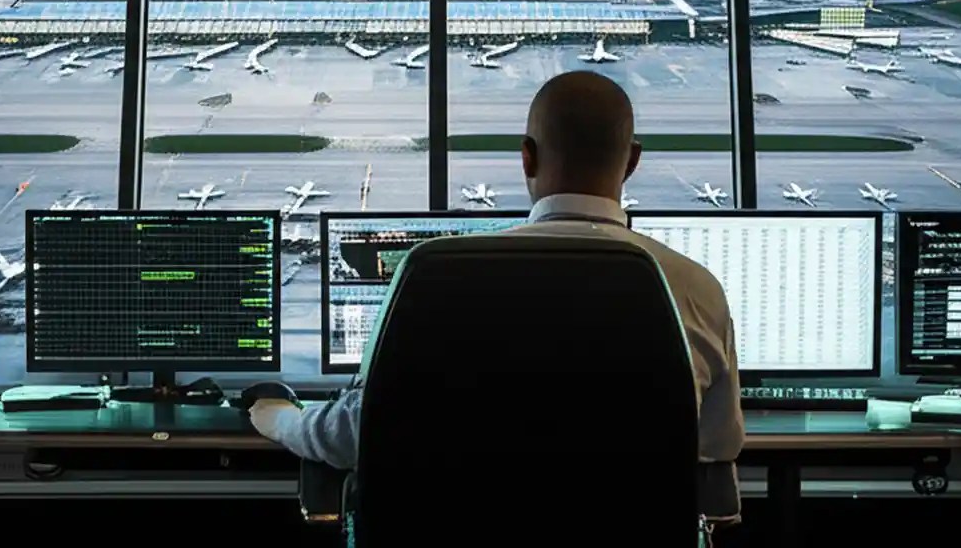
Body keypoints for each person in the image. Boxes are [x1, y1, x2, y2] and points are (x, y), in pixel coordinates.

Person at [250, 71, 744, 482]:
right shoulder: (696, 288)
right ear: (632, 161)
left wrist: (280, 418)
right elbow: (719, 445)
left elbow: (353, 436)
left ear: (526, 156)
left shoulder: (436, 274)